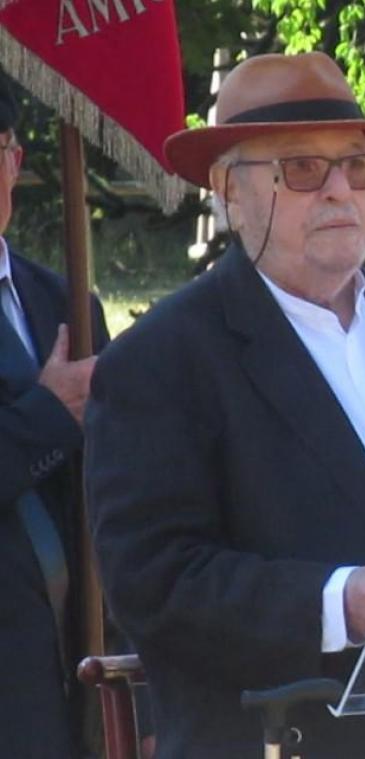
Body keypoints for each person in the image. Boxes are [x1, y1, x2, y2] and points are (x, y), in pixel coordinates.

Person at [85, 52, 365, 757]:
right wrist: (334, 603)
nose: (339, 191)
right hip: (291, 737)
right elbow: (153, 581)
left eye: (357, 166)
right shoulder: (163, 359)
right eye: (302, 169)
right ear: (230, 191)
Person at [0, 76, 108, 758]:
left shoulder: (67, 303)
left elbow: (115, 498)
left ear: (13, 161)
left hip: (72, 684)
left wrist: (134, 679)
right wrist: (46, 415)